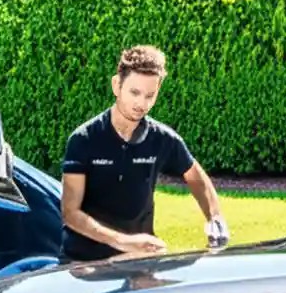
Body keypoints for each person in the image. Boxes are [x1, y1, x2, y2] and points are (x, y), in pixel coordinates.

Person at [60, 45, 228, 262]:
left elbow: (196, 177)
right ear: (116, 85)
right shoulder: (83, 139)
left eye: (150, 95)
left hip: (138, 262)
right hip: (82, 263)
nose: (142, 103)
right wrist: (123, 242)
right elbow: (70, 213)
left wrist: (215, 218)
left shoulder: (162, 139)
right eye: (134, 92)